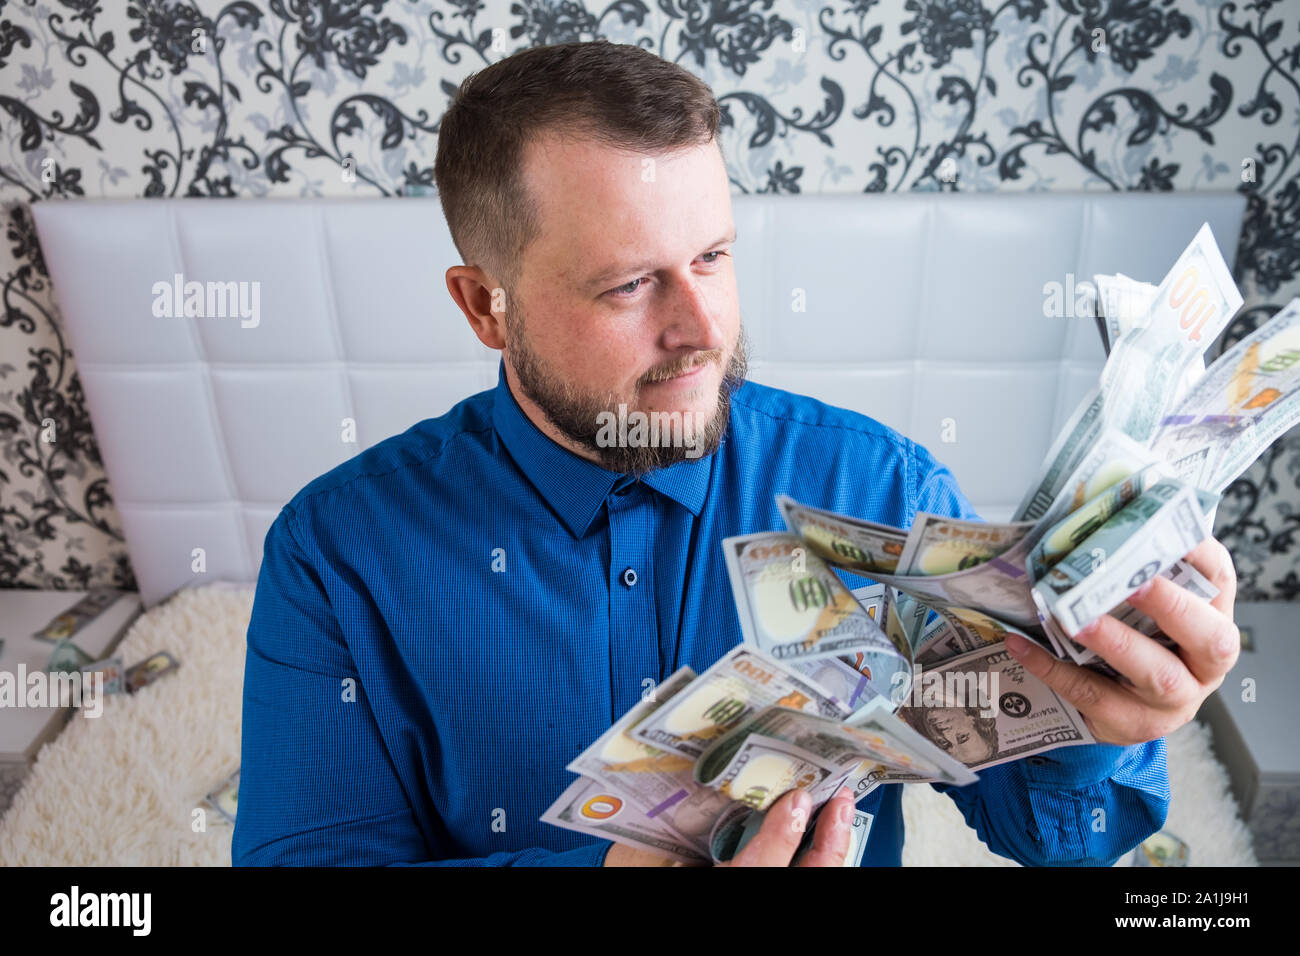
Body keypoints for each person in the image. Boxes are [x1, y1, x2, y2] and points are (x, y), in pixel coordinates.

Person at [232, 40, 1240, 867]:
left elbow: (1047, 836)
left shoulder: (884, 489)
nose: (701, 328)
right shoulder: (337, 554)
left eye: (712, 256)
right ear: (482, 306)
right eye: (628, 284)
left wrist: (1099, 723)